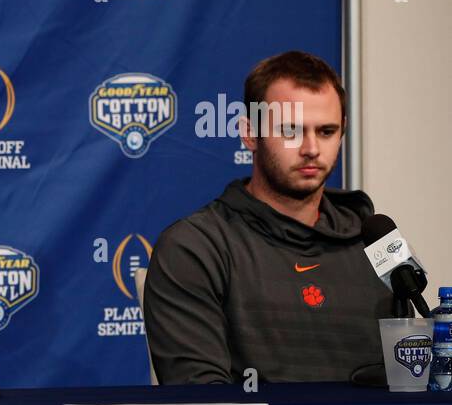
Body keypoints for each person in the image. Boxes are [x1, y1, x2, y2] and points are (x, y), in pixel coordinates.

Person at [143, 50, 393, 384]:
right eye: (291, 130)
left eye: (326, 131)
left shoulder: (377, 241)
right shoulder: (194, 248)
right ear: (249, 133)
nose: (311, 148)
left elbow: (414, 379)